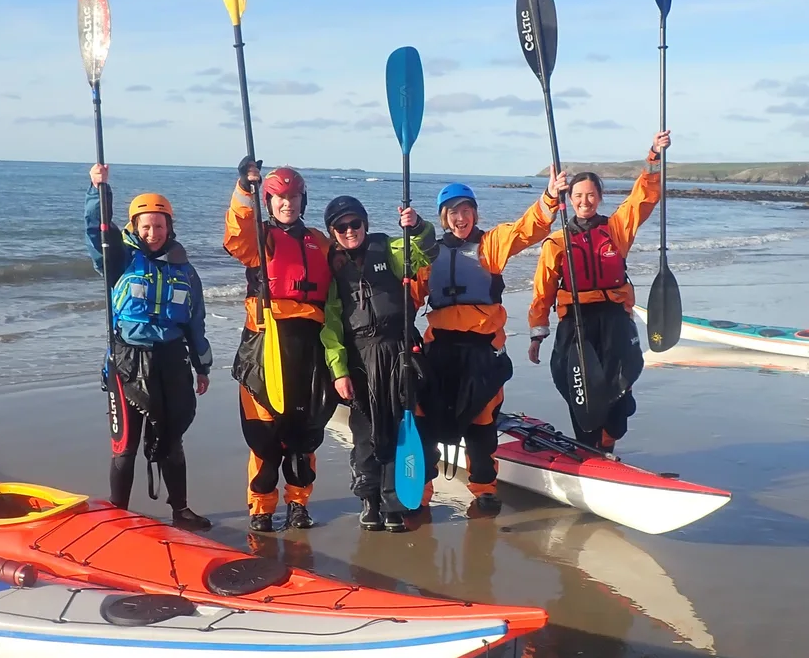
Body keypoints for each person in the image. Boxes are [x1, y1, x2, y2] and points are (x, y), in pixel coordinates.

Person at [418, 170, 569, 516]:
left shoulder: (491, 244)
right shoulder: (429, 256)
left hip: (482, 351)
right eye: (453, 212)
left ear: (475, 213)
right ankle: (421, 492)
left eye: (466, 210)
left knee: (481, 425)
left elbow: (526, 230)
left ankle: (484, 490)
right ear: (443, 217)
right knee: (426, 421)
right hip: (439, 350)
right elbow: (410, 294)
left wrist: (548, 198)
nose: (461, 218)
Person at [85, 165, 212, 528]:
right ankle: (117, 514)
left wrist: (202, 366)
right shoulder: (119, 259)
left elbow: (195, 321)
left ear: (169, 227)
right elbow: (97, 233)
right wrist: (98, 192)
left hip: (171, 361)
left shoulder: (184, 270)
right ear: (135, 228)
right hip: (127, 362)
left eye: (159, 226)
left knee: (171, 440)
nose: (153, 232)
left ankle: (181, 510)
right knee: (126, 447)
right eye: (146, 226)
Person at [225, 160, 348, 532]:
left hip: (309, 346)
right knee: (264, 434)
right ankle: (261, 508)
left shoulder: (320, 242)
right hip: (266, 344)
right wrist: (244, 189)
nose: (287, 204)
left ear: (302, 200)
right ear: (269, 201)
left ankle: (298, 504)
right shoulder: (259, 239)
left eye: (293, 197)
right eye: (279, 198)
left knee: (304, 432)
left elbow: (349, 266)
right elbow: (236, 235)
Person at [526, 132, 669, 448]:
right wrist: (537, 333)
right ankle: (589, 449)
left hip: (614, 320)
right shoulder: (558, 240)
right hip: (576, 324)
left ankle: (608, 443)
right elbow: (543, 289)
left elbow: (642, 198)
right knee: (584, 396)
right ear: (568, 199)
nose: (584, 201)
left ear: (600, 197)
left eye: (590, 195)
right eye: (577, 196)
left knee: (617, 405)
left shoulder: (616, 229)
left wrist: (653, 157)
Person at [322, 195, 434, 532]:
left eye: (355, 223)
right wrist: (338, 371)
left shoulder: (390, 249)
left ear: (365, 224)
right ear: (333, 232)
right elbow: (330, 326)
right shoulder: (334, 269)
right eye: (341, 227)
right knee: (367, 433)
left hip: (398, 351)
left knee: (399, 428)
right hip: (360, 357)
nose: (349, 230)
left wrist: (417, 227)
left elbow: (425, 251)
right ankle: (369, 500)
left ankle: (393, 503)